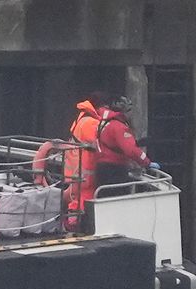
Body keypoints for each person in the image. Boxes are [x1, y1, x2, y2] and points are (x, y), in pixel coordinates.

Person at [95, 96, 160, 197]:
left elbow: (115, 143)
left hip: (103, 168)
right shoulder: (119, 127)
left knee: (105, 199)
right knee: (119, 197)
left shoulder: (105, 123)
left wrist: (136, 143)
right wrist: (147, 162)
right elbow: (131, 150)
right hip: (115, 170)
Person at [65, 92, 108, 229]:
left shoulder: (82, 117)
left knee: (76, 197)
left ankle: (72, 221)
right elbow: (98, 143)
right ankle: (78, 224)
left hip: (75, 166)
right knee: (86, 196)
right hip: (86, 168)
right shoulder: (91, 122)